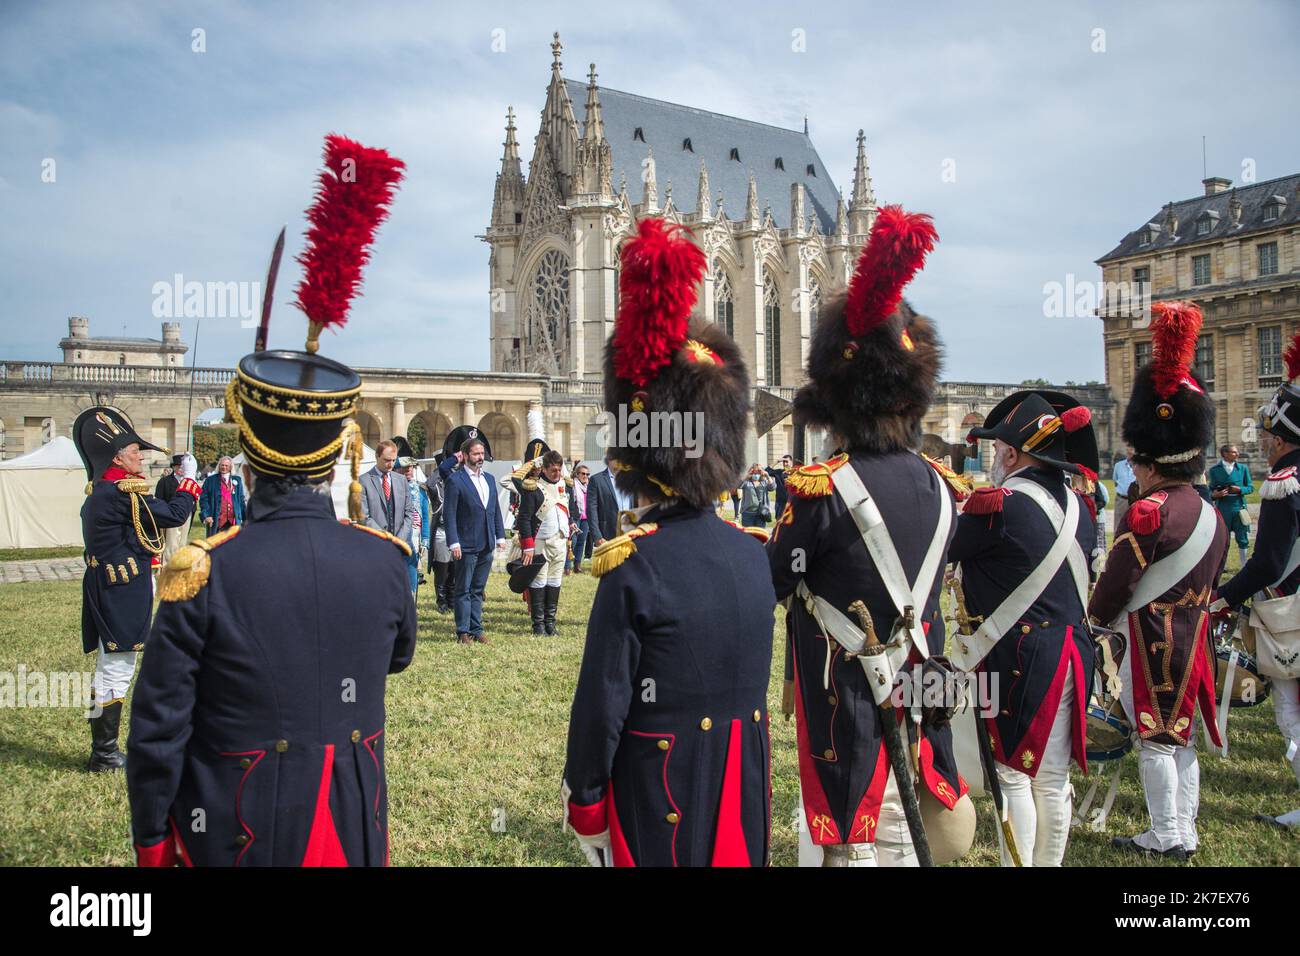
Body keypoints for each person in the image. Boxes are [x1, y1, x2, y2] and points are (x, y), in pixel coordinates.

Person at [126, 134, 414, 867]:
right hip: (352, 827)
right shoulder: (385, 562)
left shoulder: (203, 571)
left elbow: (159, 726)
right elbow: (399, 655)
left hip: (235, 828)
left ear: (248, 448)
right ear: (336, 448)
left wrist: (153, 840)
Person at [562, 217, 775, 867]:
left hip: (661, 798)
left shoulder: (634, 565)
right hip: (741, 793)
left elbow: (602, 707)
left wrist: (587, 804)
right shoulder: (752, 553)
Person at [766, 206, 972, 867]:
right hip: (918, 682)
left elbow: (775, 579)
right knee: (904, 820)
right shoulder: (944, 485)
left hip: (846, 694)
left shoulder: (820, 488)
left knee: (853, 829)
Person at [1088, 301, 1227, 862]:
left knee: (1154, 738)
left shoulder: (1148, 512)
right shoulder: (1209, 511)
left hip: (1152, 637)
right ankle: (1183, 828)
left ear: (1148, 460)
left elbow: (1117, 582)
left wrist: (1095, 620)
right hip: (1195, 636)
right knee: (1182, 735)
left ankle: (1168, 832)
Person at [949, 390, 1100, 867]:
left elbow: (943, 550)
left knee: (1011, 775)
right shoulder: (1084, 510)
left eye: (997, 449)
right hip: (1073, 652)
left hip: (1020, 658)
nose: (993, 457)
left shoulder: (998, 505)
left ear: (1013, 453)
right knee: (1052, 778)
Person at [73, 407, 200, 772]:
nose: (139, 457)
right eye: (133, 452)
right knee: (116, 668)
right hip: (121, 589)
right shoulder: (121, 493)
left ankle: (104, 750)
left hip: (111, 584)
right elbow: (174, 515)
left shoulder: (104, 490)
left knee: (110, 667)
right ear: (116, 457)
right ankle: (105, 753)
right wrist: (187, 482)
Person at [1213, 336, 1300, 828]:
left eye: (1268, 435)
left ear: (1283, 437)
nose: (1263, 443)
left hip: (1292, 615)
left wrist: (1225, 596)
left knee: (1290, 713)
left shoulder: (1284, 479)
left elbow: (1267, 563)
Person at [442, 431, 506, 644]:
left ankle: (476, 629)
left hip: (486, 542)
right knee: (463, 589)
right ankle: (462, 631)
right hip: (466, 543)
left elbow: (494, 509)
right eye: (476, 453)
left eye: (482, 453)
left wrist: (500, 536)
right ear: (465, 455)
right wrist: (453, 541)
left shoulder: (489, 479)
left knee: (478, 589)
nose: (480, 457)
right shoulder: (455, 480)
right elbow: (449, 514)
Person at [511, 445, 575, 635]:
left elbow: (570, 511)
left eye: (559, 469)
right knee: (538, 582)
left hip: (560, 542)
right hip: (540, 543)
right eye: (553, 470)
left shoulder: (564, 487)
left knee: (554, 581)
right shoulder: (533, 488)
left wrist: (571, 523)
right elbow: (523, 519)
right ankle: (538, 625)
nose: (557, 473)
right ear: (544, 469)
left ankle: (550, 623)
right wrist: (528, 547)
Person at [1208, 444, 1254, 568]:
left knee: (1243, 537)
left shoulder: (1242, 469)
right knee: (1223, 538)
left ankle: (1244, 565)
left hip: (1239, 507)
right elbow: (1209, 490)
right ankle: (1223, 566)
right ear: (1225, 454)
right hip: (1223, 507)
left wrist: (1239, 489)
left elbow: (1250, 487)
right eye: (1234, 452)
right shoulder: (1214, 470)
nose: (1237, 454)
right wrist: (1215, 495)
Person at [360, 439, 414, 544]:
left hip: (400, 545)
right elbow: (363, 517)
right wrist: (385, 537)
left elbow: (409, 513)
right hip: (375, 543)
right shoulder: (363, 481)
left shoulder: (402, 480)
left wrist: (399, 539)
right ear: (377, 456)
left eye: (394, 460)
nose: (391, 465)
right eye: (387, 460)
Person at [154, 454, 194, 566]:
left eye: (183, 467)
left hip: (186, 514)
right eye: (179, 466)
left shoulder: (188, 482)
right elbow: (159, 499)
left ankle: (181, 564)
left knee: (183, 541)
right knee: (171, 544)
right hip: (170, 515)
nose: (181, 469)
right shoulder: (165, 481)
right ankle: (168, 565)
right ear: (174, 467)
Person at [399, 456, 428, 599]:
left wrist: (425, 539)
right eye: (405, 467)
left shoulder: (421, 490)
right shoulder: (394, 487)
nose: (408, 470)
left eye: (411, 467)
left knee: (412, 569)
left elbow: (425, 517)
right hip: (398, 534)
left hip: (415, 534)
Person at [199, 456, 245, 536]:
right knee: (214, 545)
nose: (224, 467)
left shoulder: (237, 480)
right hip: (216, 520)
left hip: (233, 521)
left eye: (226, 465)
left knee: (233, 544)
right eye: (222, 465)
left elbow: (241, 500)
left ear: (230, 467)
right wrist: (206, 515)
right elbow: (204, 499)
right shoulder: (210, 480)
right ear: (219, 466)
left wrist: (245, 518)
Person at [584, 457, 622, 549]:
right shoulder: (596, 480)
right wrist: (597, 536)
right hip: (607, 535)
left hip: (629, 533)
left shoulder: (630, 479)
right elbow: (591, 510)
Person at [568, 463, 592, 573]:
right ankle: (567, 567)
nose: (585, 476)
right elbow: (569, 503)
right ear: (577, 474)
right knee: (572, 542)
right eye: (583, 473)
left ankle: (577, 566)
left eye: (587, 474)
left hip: (586, 518)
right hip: (575, 517)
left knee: (582, 542)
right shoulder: (572, 485)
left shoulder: (589, 486)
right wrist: (571, 519)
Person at [1112, 447, 1136, 529]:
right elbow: (1115, 481)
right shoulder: (1118, 466)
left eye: (1132, 454)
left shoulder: (1139, 467)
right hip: (1121, 499)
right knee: (1119, 525)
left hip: (1135, 499)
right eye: (1129, 453)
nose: (1130, 456)